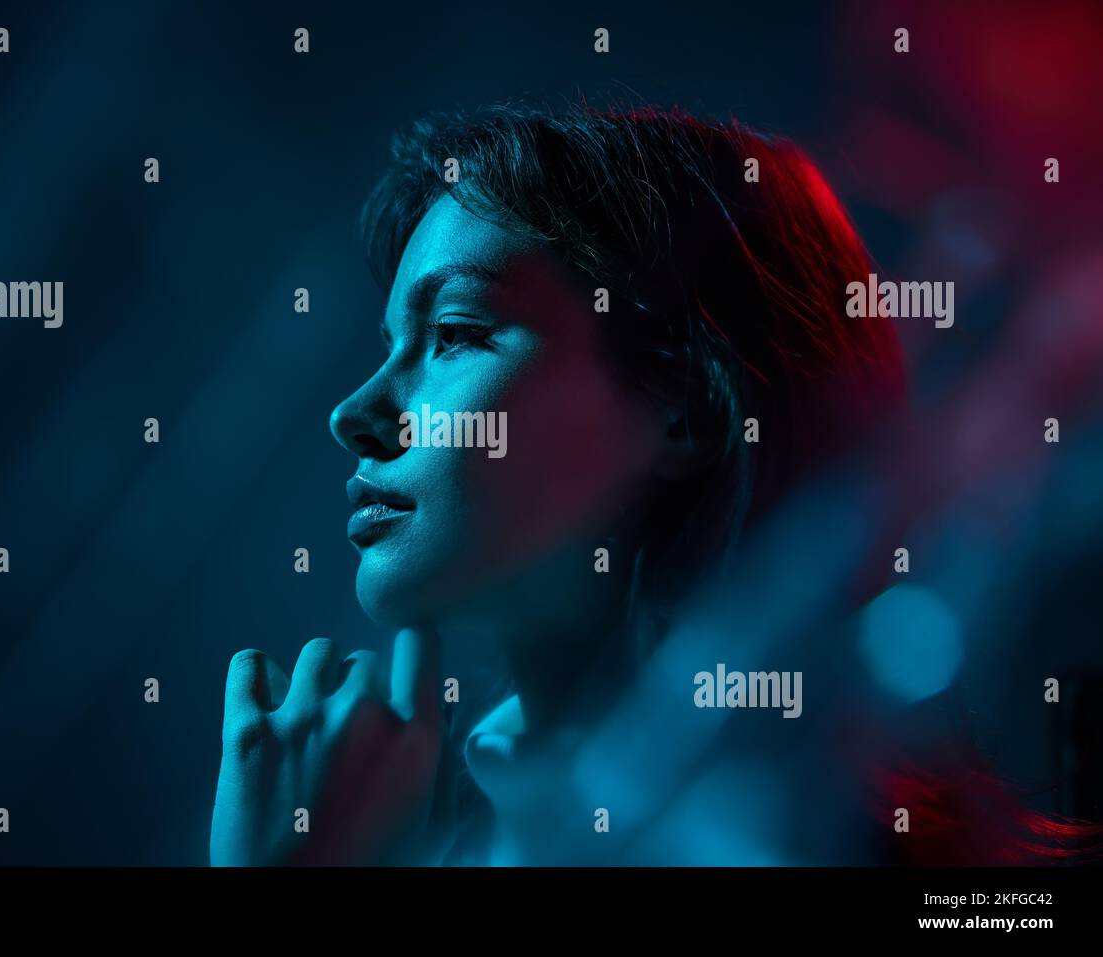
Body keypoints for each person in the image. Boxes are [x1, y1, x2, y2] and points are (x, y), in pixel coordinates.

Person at [208, 96, 927, 867]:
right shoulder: (443, 831)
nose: (354, 414)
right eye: (392, 346)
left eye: (454, 334)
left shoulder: (794, 830)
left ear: (682, 409)